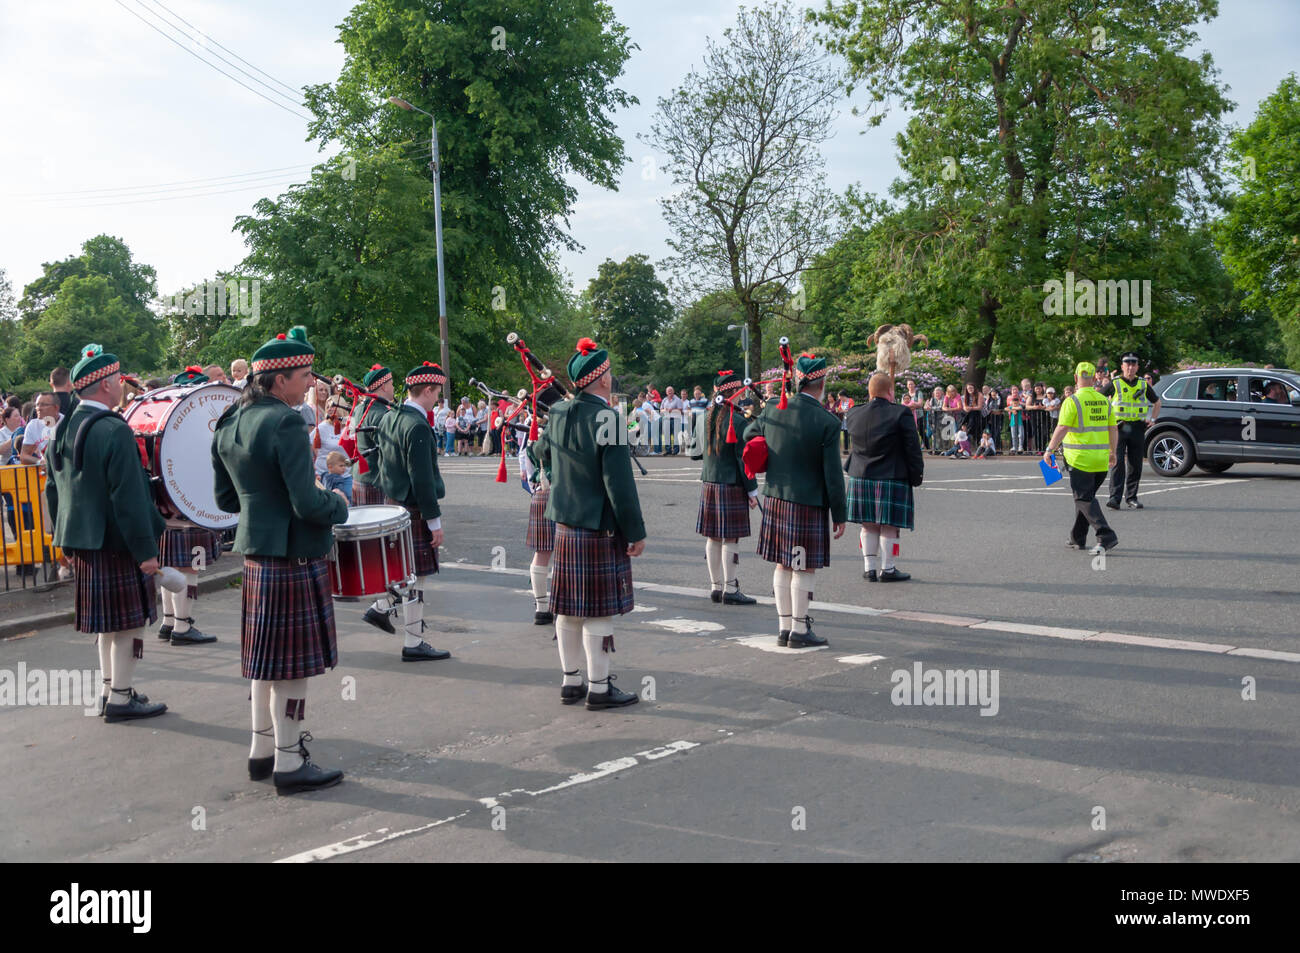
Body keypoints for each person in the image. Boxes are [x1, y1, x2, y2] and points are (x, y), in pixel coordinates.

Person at [211, 326, 349, 794]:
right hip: (293, 554)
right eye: (305, 375)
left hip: (256, 554)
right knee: (292, 669)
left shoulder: (230, 420)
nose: (311, 383)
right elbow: (308, 505)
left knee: (264, 664)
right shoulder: (287, 422)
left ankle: (261, 752)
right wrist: (337, 504)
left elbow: (226, 498)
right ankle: (289, 763)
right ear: (278, 379)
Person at [45, 343, 167, 722]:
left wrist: (61, 538)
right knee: (128, 623)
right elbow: (129, 499)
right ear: (104, 386)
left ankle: (109, 691)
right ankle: (120, 698)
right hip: (117, 542)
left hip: (81, 539)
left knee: (107, 626)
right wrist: (146, 551)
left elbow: (54, 489)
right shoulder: (114, 430)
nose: (121, 387)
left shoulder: (64, 426)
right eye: (117, 381)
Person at [536, 337, 647, 709]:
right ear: (600, 379)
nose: (612, 377)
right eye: (610, 372)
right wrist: (635, 531)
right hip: (599, 526)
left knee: (567, 609)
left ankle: (571, 682)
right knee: (598, 611)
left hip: (565, 523)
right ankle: (599, 688)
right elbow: (619, 483)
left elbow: (540, 452)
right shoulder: (609, 418)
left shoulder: (557, 413)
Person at [744, 351, 847, 648]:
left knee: (783, 565)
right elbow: (833, 475)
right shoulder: (827, 421)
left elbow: (749, 435)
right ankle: (799, 631)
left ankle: (784, 628)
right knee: (803, 566)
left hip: (776, 497)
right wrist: (839, 514)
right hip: (807, 502)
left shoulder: (774, 408)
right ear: (822, 381)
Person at [374, 362, 452, 661]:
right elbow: (422, 479)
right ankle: (413, 642)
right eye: (437, 393)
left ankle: (383, 611)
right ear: (428, 390)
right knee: (416, 579)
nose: (439, 400)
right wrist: (435, 522)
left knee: (405, 575)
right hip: (413, 510)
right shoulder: (417, 425)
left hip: (393, 504)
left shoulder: (392, 416)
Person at [155, 366, 220, 647]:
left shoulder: (167, 420)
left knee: (170, 566)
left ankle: (168, 621)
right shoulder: (198, 424)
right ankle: (183, 626)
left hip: (166, 506)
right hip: (192, 511)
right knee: (190, 570)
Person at [845, 372, 924, 583]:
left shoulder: (853, 413)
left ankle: (869, 569)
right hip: (891, 475)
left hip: (860, 475)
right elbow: (912, 448)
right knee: (888, 525)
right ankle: (887, 569)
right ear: (890, 392)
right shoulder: (901, 413)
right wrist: (917, 475)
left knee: (868, 524)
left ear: (869, 391)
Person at [696, 370, 760, 605]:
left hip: (709, 482)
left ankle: (715, 587)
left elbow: (696, 451)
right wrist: (752, 491)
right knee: (730, 539)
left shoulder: (706, 416)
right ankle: (730, 589)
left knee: (713, 537)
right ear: (733, 392)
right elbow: (743, 460)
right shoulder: (738, 420)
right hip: (730, 484)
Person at [1043, 362, 1118, 555]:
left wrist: (1050, 450)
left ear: (1075, 378)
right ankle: (1078, 536)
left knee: (1083, 498)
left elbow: (1062, 428)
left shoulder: (1072, 401)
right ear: (1094, 379)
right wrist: (1113, 451)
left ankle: (1106, 535)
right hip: (1101, 460)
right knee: (1086, 499)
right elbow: (1113, 428)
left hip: (1080, 460)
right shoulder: (1104, 400)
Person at [1101, 353, 1160, 510]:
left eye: (1133, 364)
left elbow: (1157, 402)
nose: (1130, 367)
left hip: (1137, 428)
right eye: (1127, 364)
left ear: (1137, 367)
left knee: (1135, 464)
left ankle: (1131, 497)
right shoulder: (1115, 383)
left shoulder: (1143, 384)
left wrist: (1152, 419)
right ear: (1122, 367)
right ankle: (1114, 498)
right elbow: (1099, 398)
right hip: (1118, 428)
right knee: (1117, 462)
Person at [522, 418, 556, 625]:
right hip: (564, 494)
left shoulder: (530, 444)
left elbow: (526, 471)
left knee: (541, 553)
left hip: (540, 495)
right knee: (566, 554)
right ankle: (566, 603)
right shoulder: (561, 435)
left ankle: (542, 608)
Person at [348, 364, 395, 505]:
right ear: (384, 387)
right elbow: (388, 453)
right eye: (391, 384)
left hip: (359, 476)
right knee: (377, 525)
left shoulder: (358, 408)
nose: (393, 388)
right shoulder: (382, 414)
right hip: (375, 480)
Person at [19, 393, 62, 465]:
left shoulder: (67, 423)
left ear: (56, 408)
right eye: (37, 405)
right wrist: (39, 462)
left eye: (44, 405)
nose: (39, 408)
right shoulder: (33, 426)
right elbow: (24, 457)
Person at [1006, 385, 1024, 454]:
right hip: (1012, 422)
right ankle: (1014, 446)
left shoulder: (1019, 403)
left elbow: (1020, 408)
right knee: (1013, 435)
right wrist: (1011, 410)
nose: (1015, 391)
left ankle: (1020, 446)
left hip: (1019, 422)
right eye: (1013, 390)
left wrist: (1013, 408)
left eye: (1016, 389)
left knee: (1020, 435)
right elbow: (1006, 408)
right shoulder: (1009, 398)